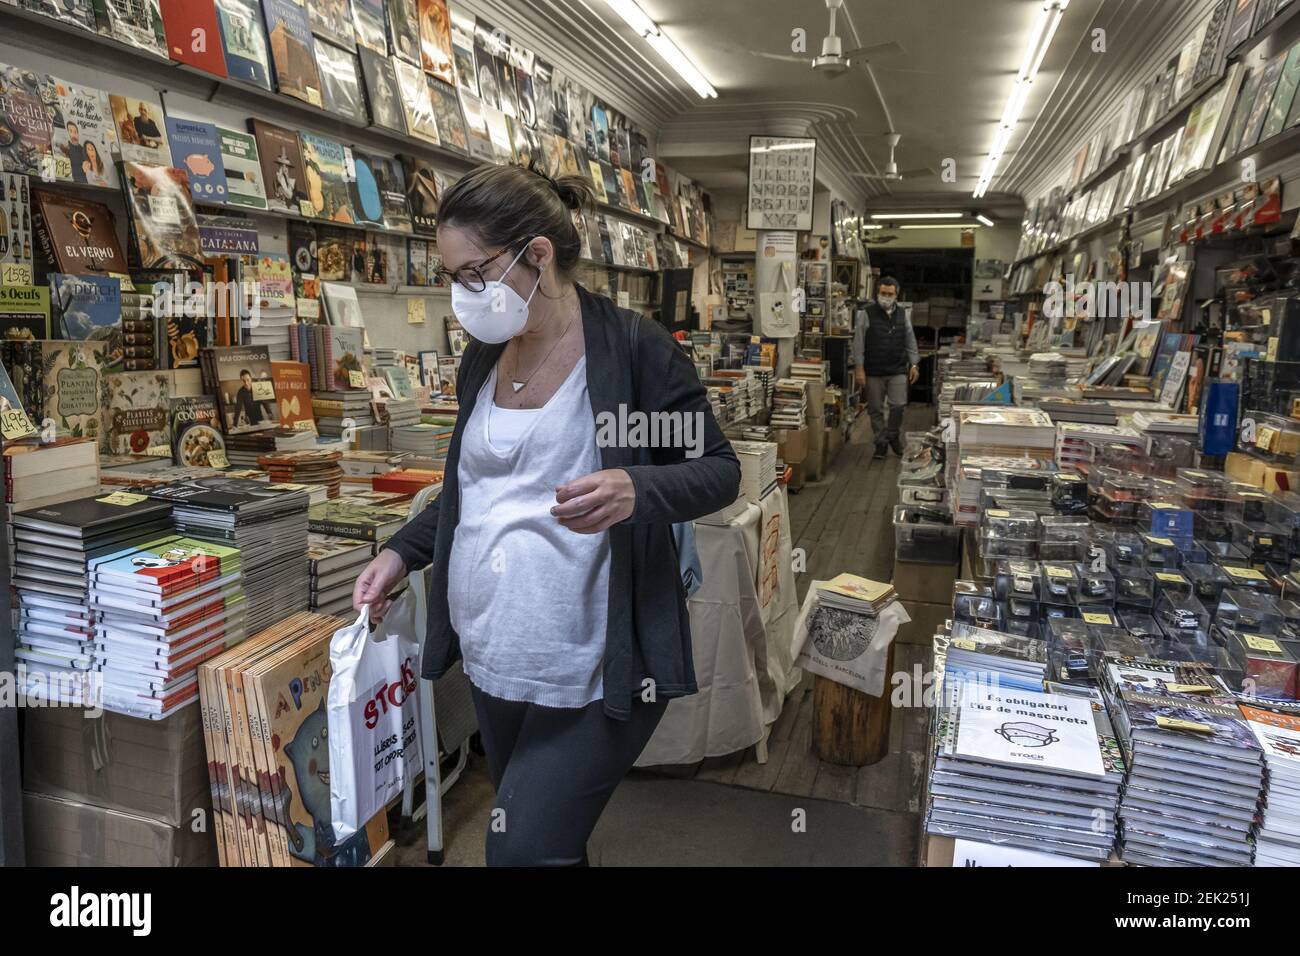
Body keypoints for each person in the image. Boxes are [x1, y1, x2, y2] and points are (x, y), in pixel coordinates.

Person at [351, 162, 739, 867]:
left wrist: (634, 489)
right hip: (496, 654)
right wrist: (402, 550)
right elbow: (474, 491)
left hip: (593, 663)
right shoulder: (485, 358)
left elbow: (717, 470)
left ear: (537, 254)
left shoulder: (631, 350)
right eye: (451, 276)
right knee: (549, 845)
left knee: (520, 848)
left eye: (475, 272)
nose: (462, 293)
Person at [852, 276, 919, 460]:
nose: (886, 297)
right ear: (877, 293)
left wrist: (914, 364)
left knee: (898, 405)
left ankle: (893, 435)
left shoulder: (902, 314)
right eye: (883, 293)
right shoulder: (867, 313)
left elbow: (910, 340)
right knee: (875, 409)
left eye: (890, 294)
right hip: (873, 369)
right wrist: (859, 368)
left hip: (897, 368)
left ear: (896, 295)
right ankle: (880, 443)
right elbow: (858, 343)